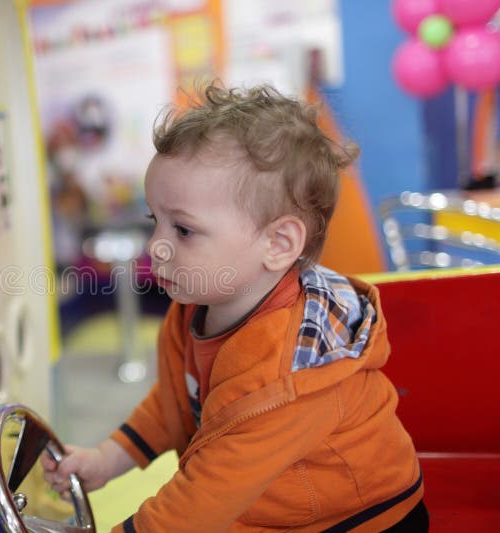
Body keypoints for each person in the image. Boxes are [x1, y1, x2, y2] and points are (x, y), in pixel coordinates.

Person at [43, 83, 428, 532]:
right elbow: (174, 403)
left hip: (361, 520)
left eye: (183, 230)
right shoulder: (194, 308)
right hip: (264, 499)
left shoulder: (287, 375)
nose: (156, 247)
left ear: (278, 244)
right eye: (155, 221)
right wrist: (108, 459)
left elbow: (203, 499)